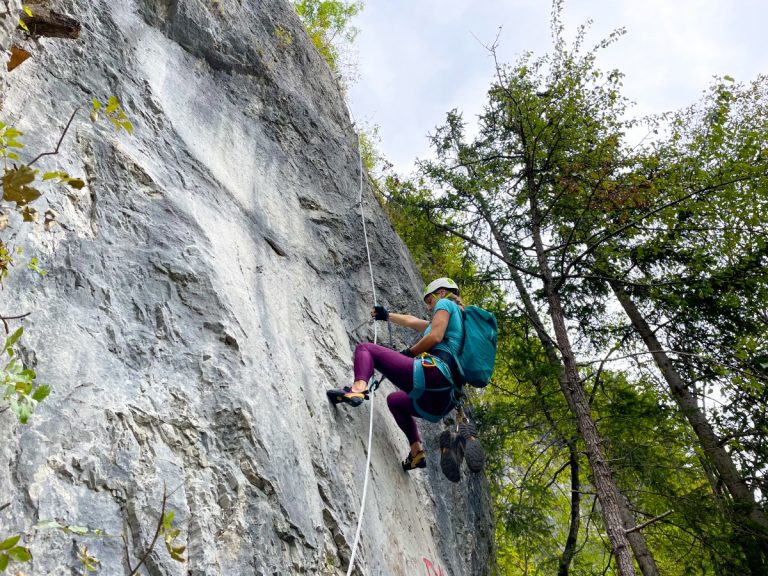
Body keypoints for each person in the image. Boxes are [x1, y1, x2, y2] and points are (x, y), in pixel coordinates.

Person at [328, 278, 467, 477]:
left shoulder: (445, 304)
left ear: (442, 293)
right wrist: (386, 315)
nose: (428, 307)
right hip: (441, 401)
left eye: (429, 301)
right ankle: (416, 452)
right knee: (395, 401)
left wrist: (409, 353)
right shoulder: (458, 324)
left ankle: (357, 390)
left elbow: (434, 336)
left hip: (434, 375)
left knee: (366, 348)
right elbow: (413, 322)